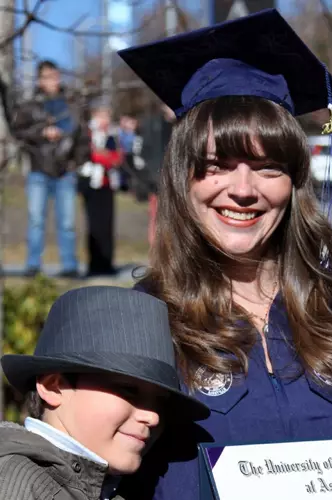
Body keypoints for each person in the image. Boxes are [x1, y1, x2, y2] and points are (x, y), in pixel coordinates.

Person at [117, 9, 332, 500]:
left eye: (267, 167)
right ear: (183, 178)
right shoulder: (141, 324)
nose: (243, 190)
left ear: (294, 182)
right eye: (217, 166)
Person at [0, 286, 209, 500]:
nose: (153, 416)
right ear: (54, 387)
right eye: (128, 390)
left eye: (160, 403)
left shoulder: (104, 487)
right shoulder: (16, 485)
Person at [10, 60, 88, 278]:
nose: (53, 80)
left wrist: (76, 163)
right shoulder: (30, 105)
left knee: (67, 222)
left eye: (55, 75)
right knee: (36, 220)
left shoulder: (71, 104)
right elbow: (19, 133)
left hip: (65, 170)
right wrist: (42, 133)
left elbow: (82, 135)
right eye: (47, 76)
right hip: (39, 169)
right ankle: (33, 265)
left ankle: (69, 265)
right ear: (39, 79)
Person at [78, 103, 122, 277]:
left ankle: (107, 263)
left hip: (107, 184)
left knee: (108, 225)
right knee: (94, 225)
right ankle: (94, 264)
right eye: (103, 116)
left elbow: (117, 157)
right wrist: (101, 155)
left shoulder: (111, 135)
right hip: (91, 184)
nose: (106, 120)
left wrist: (104, 156)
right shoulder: (86, 133)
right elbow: (89, 154)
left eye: (108, 116)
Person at [138, 103, 176, 245]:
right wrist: (152, 175)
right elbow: (145, 151)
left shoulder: (181, 123)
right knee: (156, 216)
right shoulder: (153, 124)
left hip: (177, 179)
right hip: (158, 179)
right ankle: (157, 252)